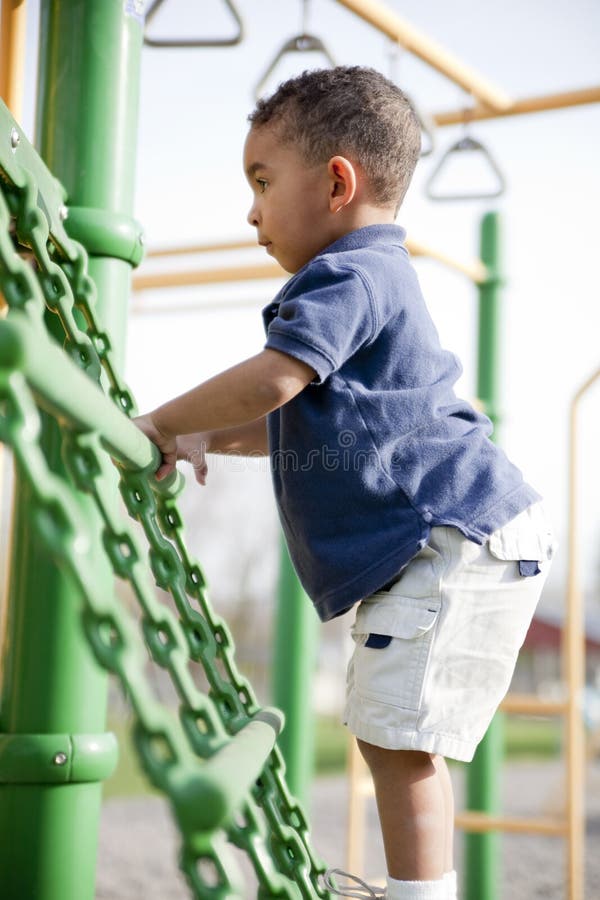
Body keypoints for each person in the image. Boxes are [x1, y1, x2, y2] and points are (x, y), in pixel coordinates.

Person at [134, 67, 555, 900]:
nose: (250, 211)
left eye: (262, 182)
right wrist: (207, 431)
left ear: (336, 182)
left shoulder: (350, 276)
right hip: (457, 532)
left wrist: (160, 423)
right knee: (389, 736)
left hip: (452, 530)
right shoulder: (371, 281)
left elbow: (273, 381)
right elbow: (288, 414)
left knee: (397, 743)